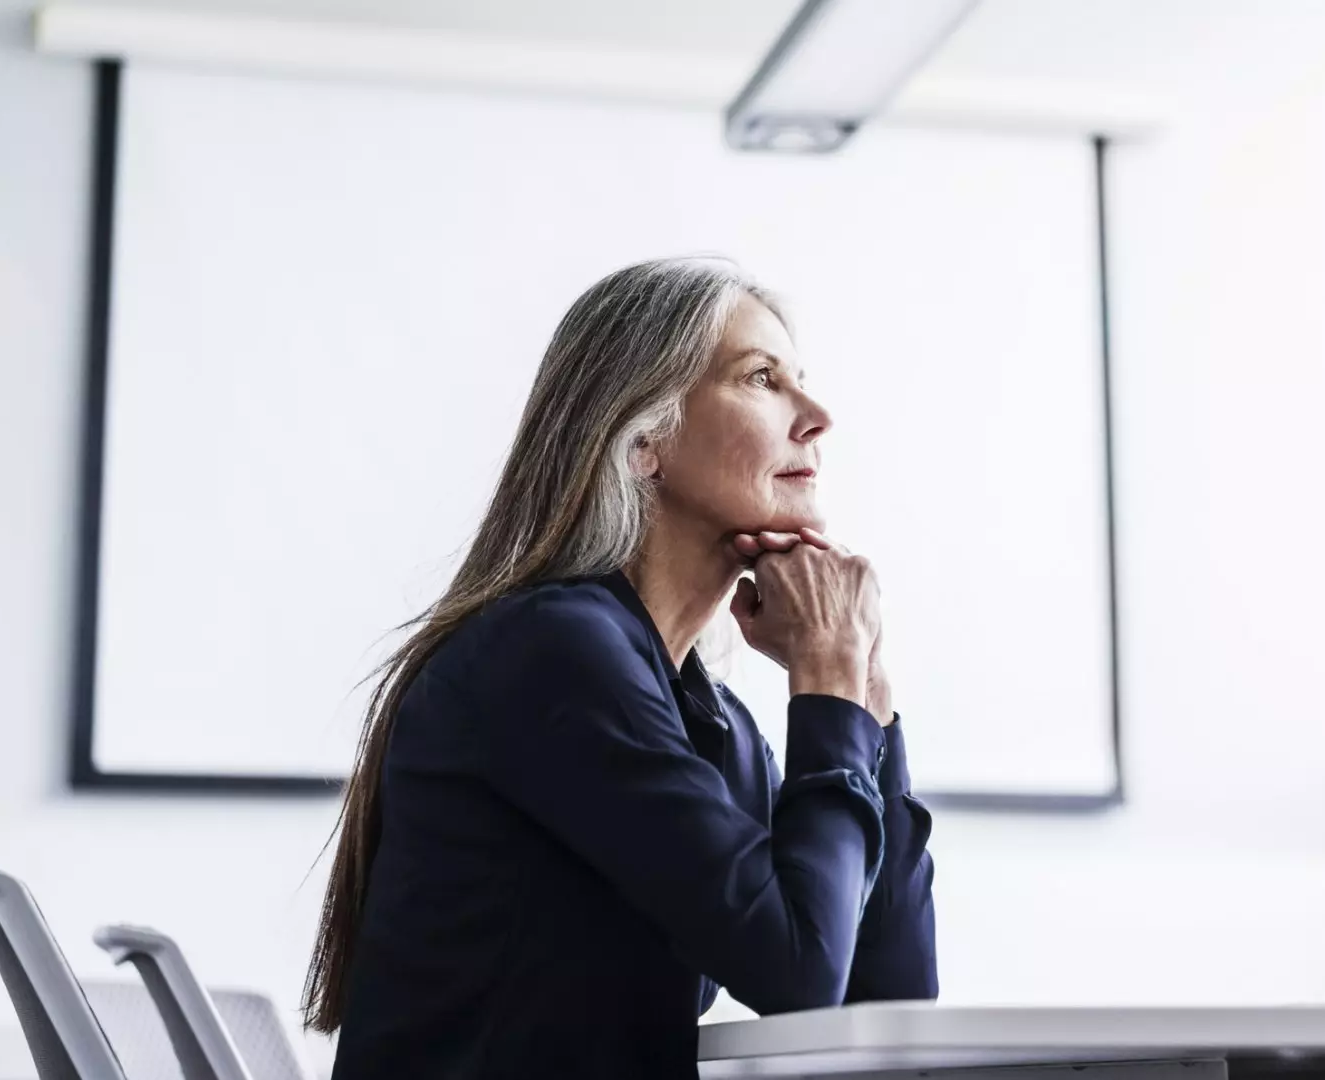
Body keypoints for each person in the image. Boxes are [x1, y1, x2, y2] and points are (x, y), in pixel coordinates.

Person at [305, 257, 937, 1078]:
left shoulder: (711, 725)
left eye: (802, 382)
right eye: (761, 378)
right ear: (644, 443)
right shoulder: (553, 653)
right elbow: (801, 972)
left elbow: (886, 1008)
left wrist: (865, 693)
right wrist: (823, 679)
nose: (816, 416)